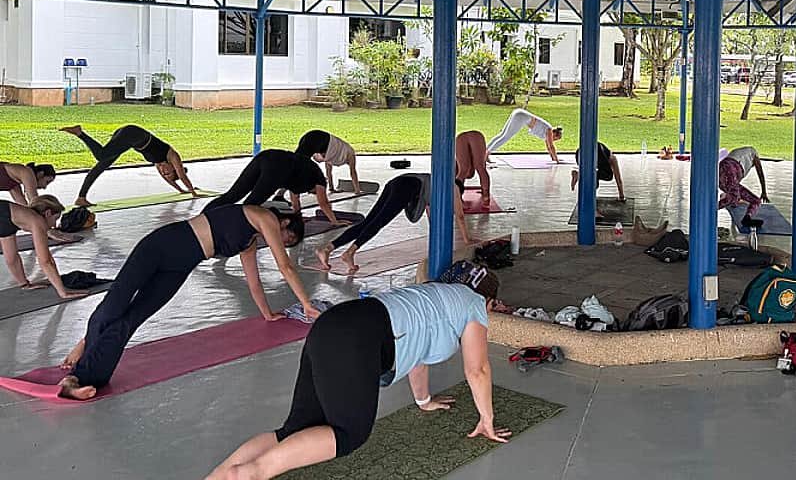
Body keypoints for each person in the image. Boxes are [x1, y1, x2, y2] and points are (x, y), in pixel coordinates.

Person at [205, 264, 510, 479]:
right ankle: (253, 474)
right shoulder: (473, 304)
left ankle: (220, 476)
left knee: (296, 428)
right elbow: (478, 369)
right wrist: (487, 419)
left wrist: (423, 400)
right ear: (489, 301)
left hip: (333, 323)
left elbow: (419, 355)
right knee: (349, 433)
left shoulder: (433, 295)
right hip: (357, 339)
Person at [57, 204, 318, 401]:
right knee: (115, 304)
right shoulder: (263, 216)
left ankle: (88, 378)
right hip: (160, 246)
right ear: (284, 222)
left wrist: (268, 314)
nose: (285, 244)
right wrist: (306, 303)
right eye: (289, 239)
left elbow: (254, 283)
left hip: (179, 267)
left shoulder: (248, 242)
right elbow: (284, 266)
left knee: (132, 319)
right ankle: (77, 367)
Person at [315, 173, 471, 273]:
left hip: (397, 182)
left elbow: (431, 216)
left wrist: (435, 238)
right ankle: (350, 252)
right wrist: (467, 241)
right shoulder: (454, 187)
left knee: (370, 220)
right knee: (379, 222)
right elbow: (461, 217)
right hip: (407, 186)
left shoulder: (437, 183)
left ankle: (328, 249)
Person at [204, 149, 351, 226]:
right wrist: (334, 221)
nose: (315, 194)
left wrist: (297, 218)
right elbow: (324, 203)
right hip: (277, 167)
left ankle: (202, 218)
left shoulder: (301, 179)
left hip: (266, 156)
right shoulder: (319, 179)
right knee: (251, 205)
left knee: (232, 195)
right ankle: (231, 229)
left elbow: (295, 204)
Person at [60, 125, 195, 207]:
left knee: (101, 165)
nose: (163, 172)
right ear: (174, 167)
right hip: (133, 134)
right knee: (102, 155)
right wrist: (192, 191)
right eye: (168, 172)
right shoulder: (172, 155)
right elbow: (182, 175)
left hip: (129, 138)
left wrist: (181, 191)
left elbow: (169, 180)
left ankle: (81, 198)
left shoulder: (160, 164)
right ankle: (80, 133)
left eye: (165, 174)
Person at [0, 195, 84, 300]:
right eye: (55, 219)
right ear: (48, 213)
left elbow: (12, 258)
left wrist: (24, 284)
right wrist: (63, 292)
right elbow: (46, 261)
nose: (54, 225)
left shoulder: (11, 217)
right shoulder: (37, 220)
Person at [296, 130, 360, 195]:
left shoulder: (332, 155)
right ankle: (296, 190)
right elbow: (353, 172)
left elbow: (328, 171)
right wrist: (357, 191)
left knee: (296, 163)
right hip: (319, 139)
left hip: (313, 136)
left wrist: (331, 188)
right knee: (298, 165)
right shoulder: (350, 153)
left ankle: (296, 188)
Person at [486, 109, 563, 162]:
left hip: (519, 113)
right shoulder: (549, 130)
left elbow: (549, 148)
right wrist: (557, 160)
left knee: (502, 134)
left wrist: (554, 159)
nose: (553, 141)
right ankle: (486, 154)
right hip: (521, 117)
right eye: (555, 139)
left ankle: (485, 152)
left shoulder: (547, 131)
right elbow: (551, 146)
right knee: (505, 137)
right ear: (555, 134)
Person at [719, 152, 762, 228]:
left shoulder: (742, 158)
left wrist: (733, 199)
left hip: (723, 168)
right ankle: (709, 210)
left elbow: (731, 185)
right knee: (734, 197)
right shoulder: (753, 153)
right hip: (731, 167)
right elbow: (760, 173)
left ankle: (747, 218)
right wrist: (764, 191)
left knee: (756, 200)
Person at [455, 130, 491, 205]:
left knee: (463, 171)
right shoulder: (457, 167)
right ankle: (486, 197)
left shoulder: (457, 167)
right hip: (473, 135)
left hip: (461, 137)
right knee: (480, 168)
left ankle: (458, 198)